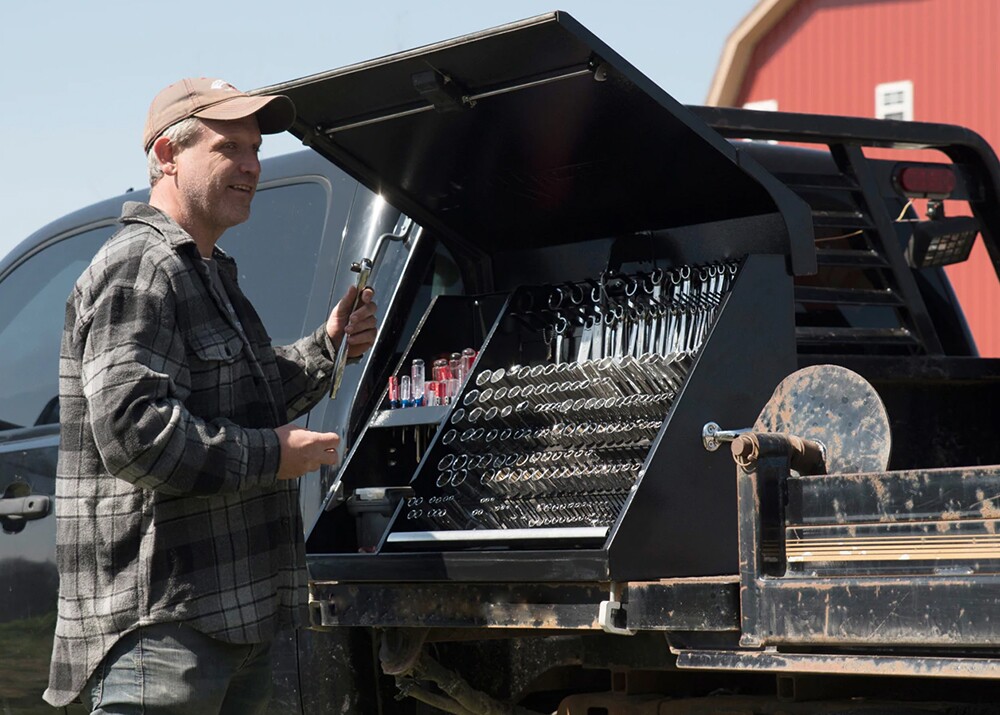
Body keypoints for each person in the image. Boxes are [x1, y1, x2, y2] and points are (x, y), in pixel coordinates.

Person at [43, 78, 378, 714]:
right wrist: (273, 456)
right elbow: (136, 436)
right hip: (163, 635)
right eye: (230, 148)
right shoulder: (141, 266)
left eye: (256, 149)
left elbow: (244, 396)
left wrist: (329, 344)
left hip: (227, 625)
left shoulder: (204, 268)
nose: (252, 166)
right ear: (168, 155)